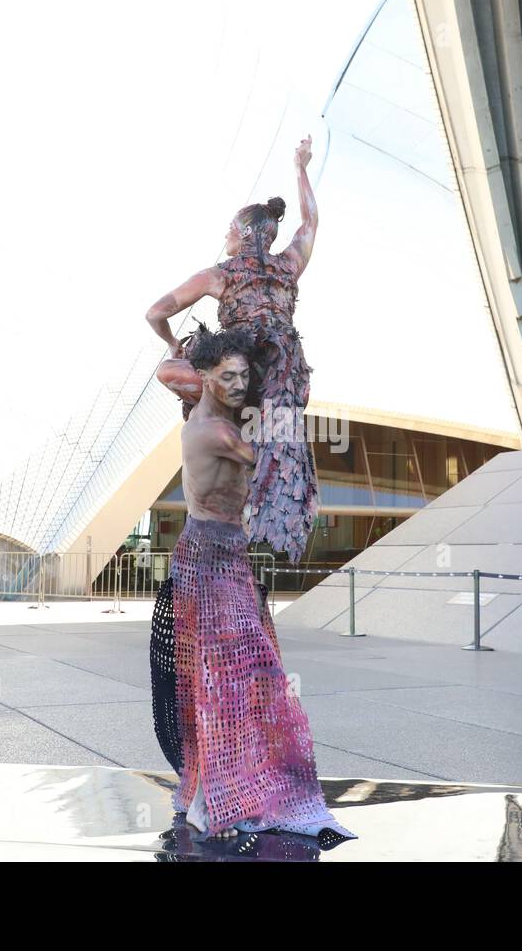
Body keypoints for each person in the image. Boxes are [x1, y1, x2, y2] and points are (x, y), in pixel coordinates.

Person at [153, 325, 354, 844]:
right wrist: (283, 398)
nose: (240, 384)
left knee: (231, 674)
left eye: (245, 374)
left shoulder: (207, 402)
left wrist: (178, 351)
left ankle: (211, 795)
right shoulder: (219, 433)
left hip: (225, 554)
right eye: (229, 376)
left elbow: (165, 369)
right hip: (208, 557)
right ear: (206, 379)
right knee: (232, 673)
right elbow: (271, 462)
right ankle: (213, 798)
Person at [145, 134, 320, 563]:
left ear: (242, 234)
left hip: (239, 374)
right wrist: (301, 168)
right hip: (285, 381)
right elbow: (310, 223)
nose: (225, 234)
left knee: (169, 372)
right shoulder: (289, 265)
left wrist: (173, 345)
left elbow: (156, 311)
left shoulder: (220, 274)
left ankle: (221, 411)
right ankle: (244, 427)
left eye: (229, 228)